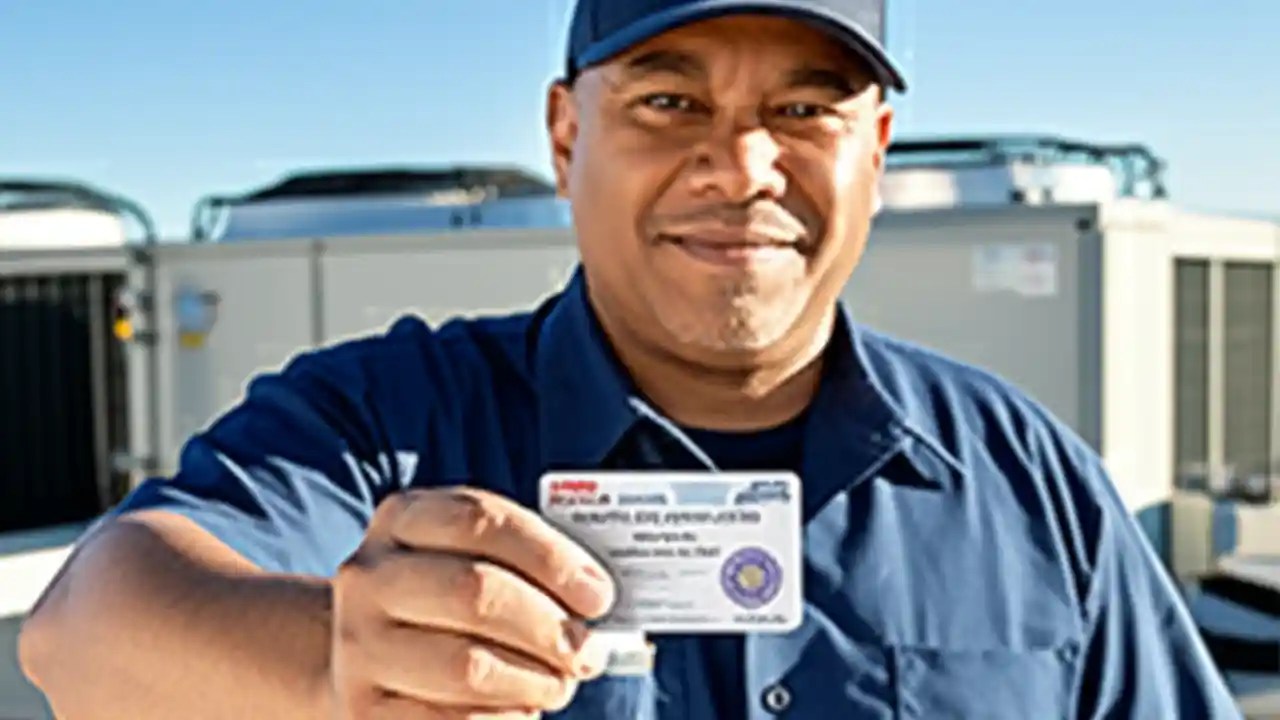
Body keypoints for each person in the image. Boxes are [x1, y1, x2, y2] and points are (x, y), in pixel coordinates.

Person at [19, 0, 1241, 718]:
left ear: (874, 149)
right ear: (565, 136)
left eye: (802, 110)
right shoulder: (388, 425)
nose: (741, 169)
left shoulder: (1027, 483)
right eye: (669, 104)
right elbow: (81, 635)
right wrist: (331, 659)